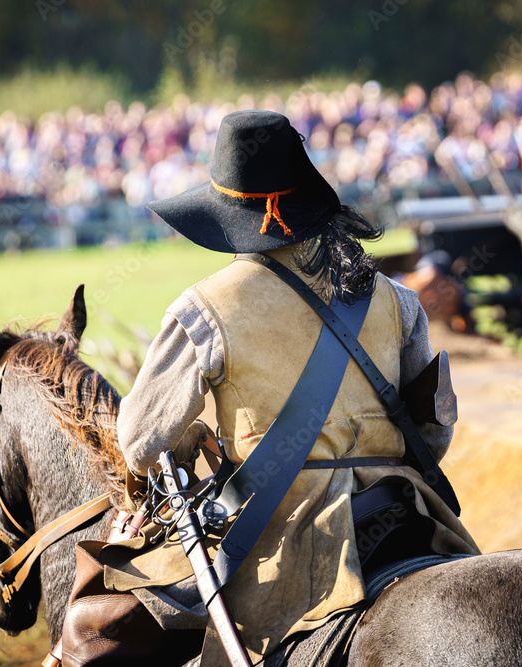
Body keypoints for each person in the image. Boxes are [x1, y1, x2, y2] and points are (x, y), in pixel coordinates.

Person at [105, 110, 478, 662]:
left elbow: (138, 442)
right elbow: (433, 433)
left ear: (228, 216)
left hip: (290, 542)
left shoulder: (203, 310)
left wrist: (192, 441)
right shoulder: (395, 298)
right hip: (410, 516)